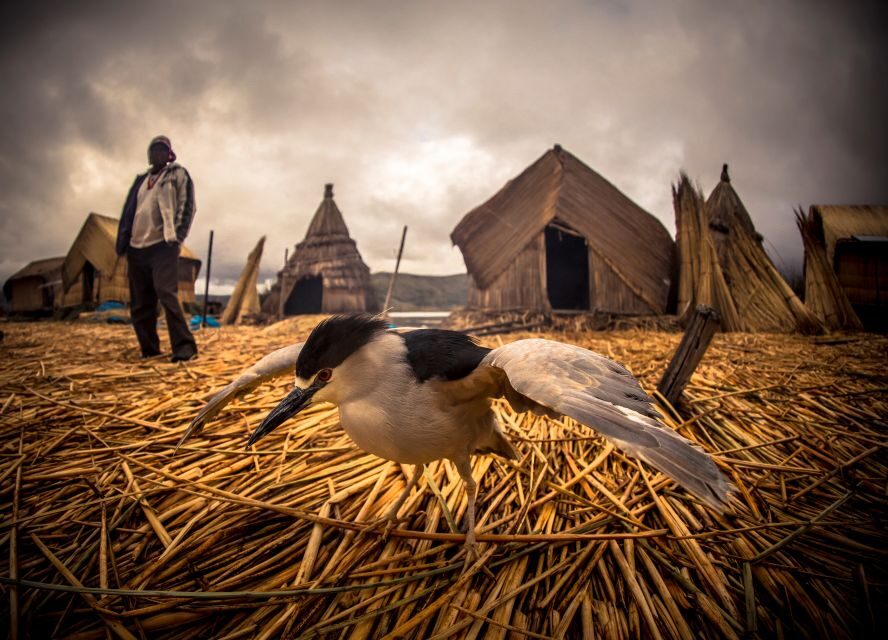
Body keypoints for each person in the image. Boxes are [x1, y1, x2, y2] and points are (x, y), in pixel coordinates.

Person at [115, 135, 198, 362]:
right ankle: (149, 349)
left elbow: (188, 205)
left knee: (166, 293)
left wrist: (177, 237)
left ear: (169, 154)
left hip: (163, 244)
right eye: (154, 150)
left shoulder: (176, 175)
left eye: (162, 150)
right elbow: (129, 212)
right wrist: (123, 242)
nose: (157, 154)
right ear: (149, 155)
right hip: (136, 246)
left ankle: (184, 349)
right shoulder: (141, 181)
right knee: (141, 302)